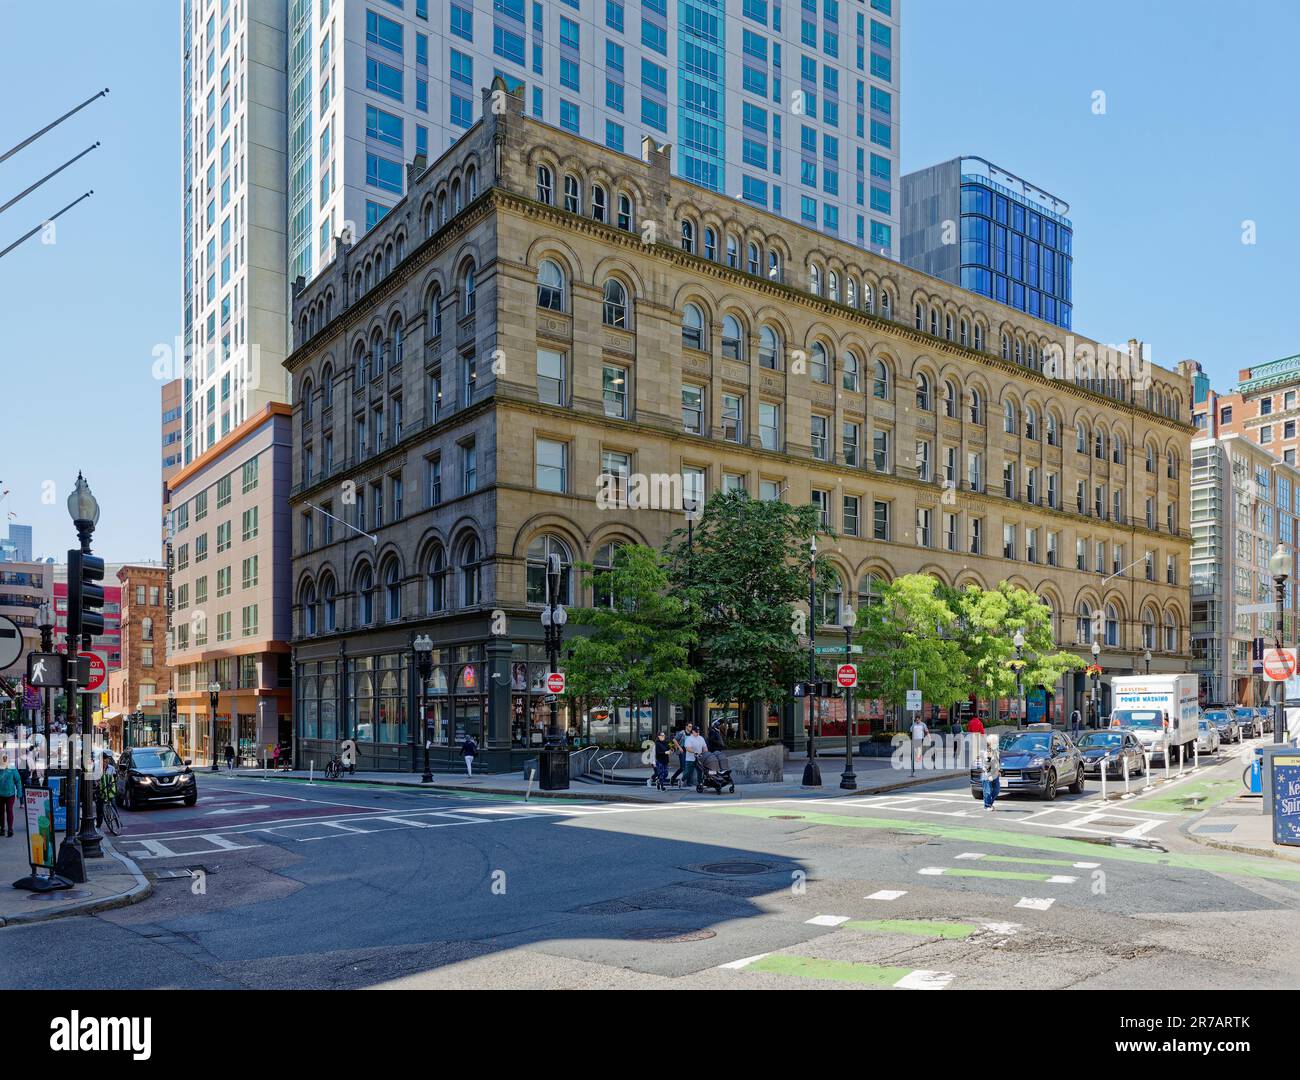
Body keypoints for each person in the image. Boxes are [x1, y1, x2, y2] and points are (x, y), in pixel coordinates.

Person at [0, 752, 21, 837]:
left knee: (9, 810)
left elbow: (18, 780)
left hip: (10, 794)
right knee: (1, 812)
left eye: (5, 758)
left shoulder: (12, 768)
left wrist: (19, 792)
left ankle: (10, 829)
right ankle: (2, 829)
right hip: (0, 794)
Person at [979, 733, 1001, 811]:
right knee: (987, 791)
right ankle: (987, 805)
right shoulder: (987, 753)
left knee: (997, 789)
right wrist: (989, 775)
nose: (997, 743)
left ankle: (989, 803)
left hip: (995, 774)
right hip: (987, 775)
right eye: (995, 742)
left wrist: (998, 770)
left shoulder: (996, 751)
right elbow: (986, 765)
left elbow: (997, 761)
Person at [94, 751, 117, 828]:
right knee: (99, 808)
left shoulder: (111, 768)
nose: (106, 762)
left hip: (109, 789)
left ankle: (117, 821)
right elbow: (95, 779)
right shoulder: (97, 768)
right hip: (101, 790)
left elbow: (115, 777)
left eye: (107, 761)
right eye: (104, 761)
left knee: (113, 804)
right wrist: (97, 783)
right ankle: (99, 824)